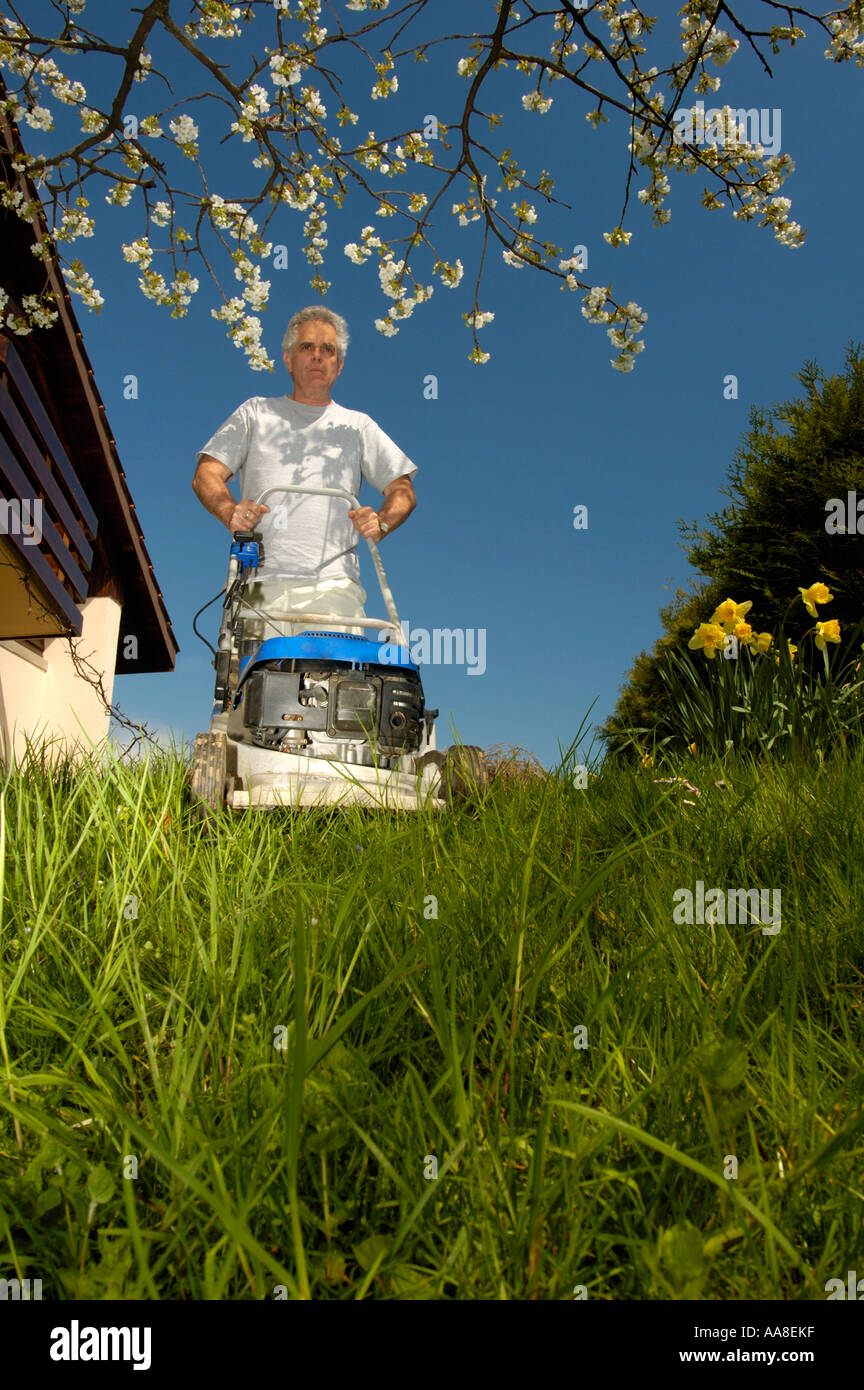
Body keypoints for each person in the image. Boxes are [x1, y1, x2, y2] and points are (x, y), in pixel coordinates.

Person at [191, 305, 417, 639]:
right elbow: (206, 473)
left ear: (338, 366)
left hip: (334, 588)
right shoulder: (255, 413)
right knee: (253, 685)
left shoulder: (357, 426)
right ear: (287, 359)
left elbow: (403, 490)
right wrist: (229, 510)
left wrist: (381, 520)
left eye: (328, 350)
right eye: (306, 347)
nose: (317, 356)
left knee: (334, 687)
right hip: (257, 586)